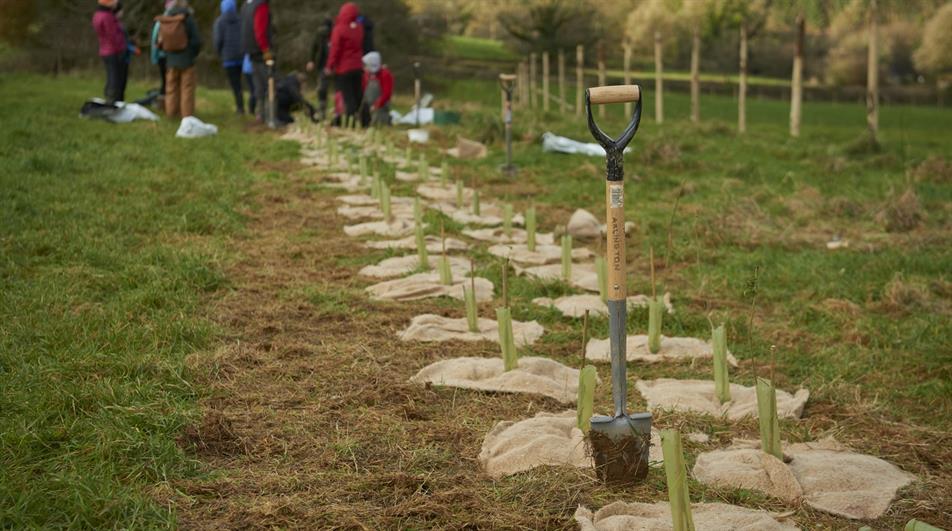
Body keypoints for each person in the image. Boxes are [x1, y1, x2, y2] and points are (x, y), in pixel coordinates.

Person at [324, 3, 364, 128]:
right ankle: (363, 119)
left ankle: (350, 121)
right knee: (358, 94)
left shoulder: (339, 29)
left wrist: (329, 66)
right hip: (358, 66)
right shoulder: (359, 28)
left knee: (348, 96)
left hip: (344, 68)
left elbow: (335, 50)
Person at [160, 0, 202, 118]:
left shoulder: (166, 18)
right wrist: (193, 54)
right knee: (187, 89)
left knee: (171, 88)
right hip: (187, 60)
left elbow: (161, 40)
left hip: (171, 60)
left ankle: (171, 113)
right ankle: (187, 115)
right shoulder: (188, 19)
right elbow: (196, 41)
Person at [241, 0, 274, 123]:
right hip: (261, 50)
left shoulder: (246, 5)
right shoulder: (261, 6)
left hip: (250, 50)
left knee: (258, 84)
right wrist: (266, 49)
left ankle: (260, 114)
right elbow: (260, 30)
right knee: (269, 84)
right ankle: (270, 114)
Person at [92, 0, 127, 103]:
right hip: (113, 51)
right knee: (114, 78)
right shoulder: (107, 16)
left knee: (111, 76)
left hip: (105, 50)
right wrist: (121, 48)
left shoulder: (98, 15)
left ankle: (111, 98)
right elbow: (112, 36)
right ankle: (112, 100)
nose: (116, 2)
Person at [214, 0, 245, 114]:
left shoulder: (219, 22)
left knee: (235, 84)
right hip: (242, 56)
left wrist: (220, 53)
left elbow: (218, 41)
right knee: (243, 82)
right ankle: (249, 105)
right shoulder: (241, 20)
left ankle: (240, 107)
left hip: (228, 58)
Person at [306, 17, 333, 121]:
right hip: (322, 65)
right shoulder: (319, 35)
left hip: (334, 65)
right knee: (322, 89)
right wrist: (311, 60)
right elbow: (313, 48)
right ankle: (322, 111)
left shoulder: (335, 35)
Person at [150, 1, 176, 105]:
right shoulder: (177, 21)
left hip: (162, 56)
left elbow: (154, 40)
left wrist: (154, 57)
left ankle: (163, 103)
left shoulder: (160, 22)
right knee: (169, 82)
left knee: (165, 81)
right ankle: (167, 104)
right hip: (171, 55)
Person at [360, 51, 392, 126]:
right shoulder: (366, 75)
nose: (364, 67)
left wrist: (376, 105)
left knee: (379, 123)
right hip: (367, 104)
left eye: (366, 65)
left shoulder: (385, 74)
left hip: (381, 106)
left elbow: (387, 93)